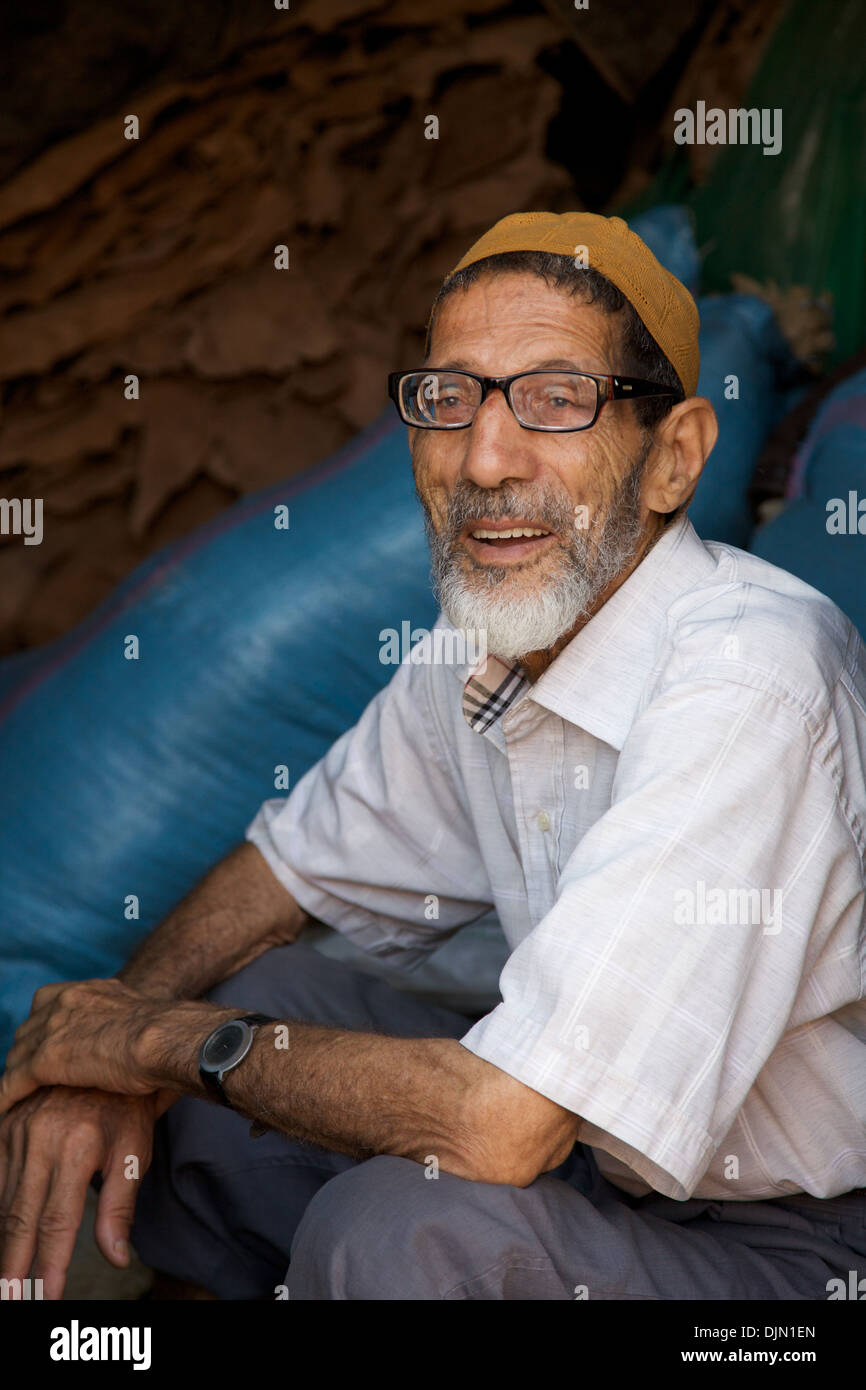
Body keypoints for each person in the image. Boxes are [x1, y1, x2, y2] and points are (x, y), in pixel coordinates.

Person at [1, 212, 864, 1301]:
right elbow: (283, 873)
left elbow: (502, 1127)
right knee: (254, 1005)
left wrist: (144, 1042)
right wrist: (106, 1048)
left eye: (556, 399)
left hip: (802, 1250)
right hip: (598, 1171)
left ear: (673, 458)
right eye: (448, 401)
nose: (484, 459)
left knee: (401, 1233)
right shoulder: (485, 641)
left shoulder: (750, 682)